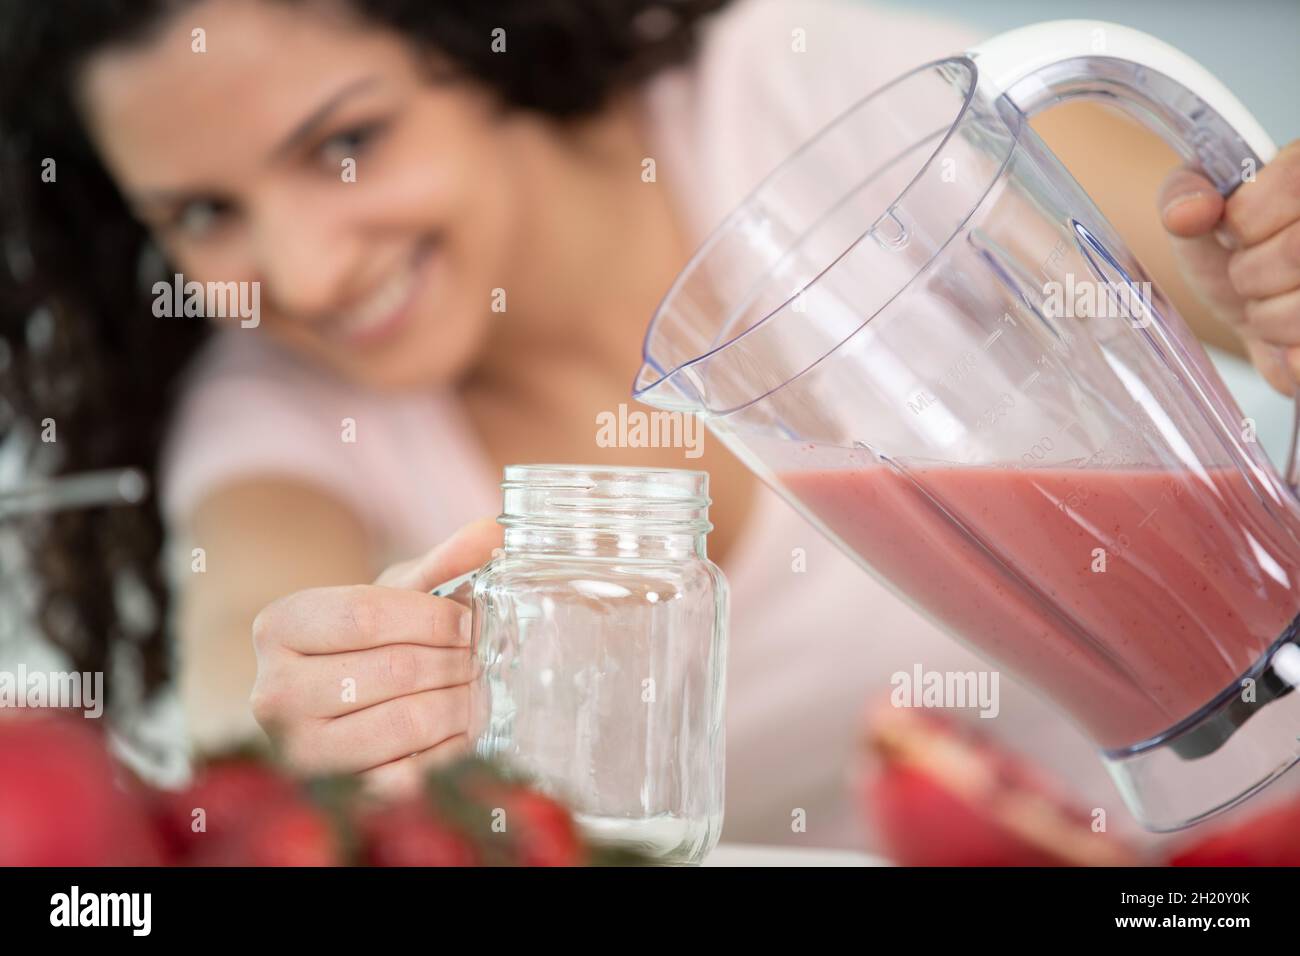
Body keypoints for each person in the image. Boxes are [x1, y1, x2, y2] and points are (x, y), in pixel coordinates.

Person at [2, 0, 1298, 851]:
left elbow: (1219, 248)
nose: (309, 268)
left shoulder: (792, 88)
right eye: (205, 214)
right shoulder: (275, 408)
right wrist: (301, 728)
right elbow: (250, 641)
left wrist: (1263, 284)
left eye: (345, 145)